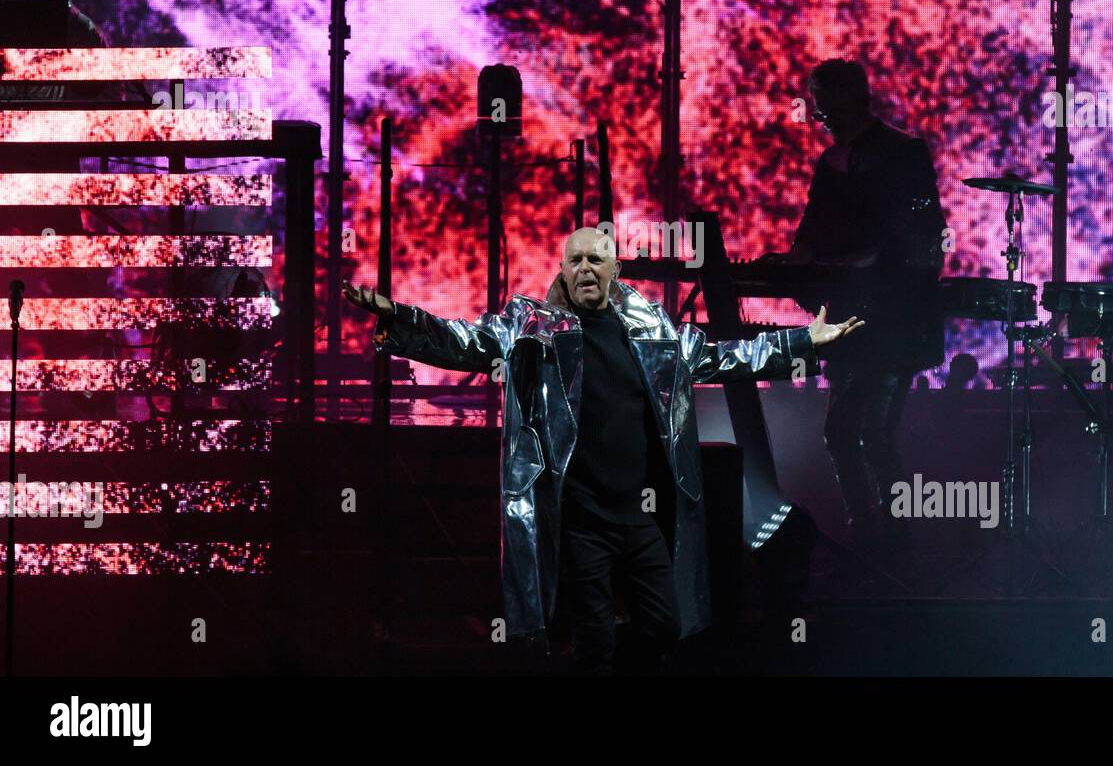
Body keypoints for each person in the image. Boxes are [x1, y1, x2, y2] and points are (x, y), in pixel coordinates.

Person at [344, 226, 862, 674]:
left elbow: (730, 358)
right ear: (564, 271)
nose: (586, 268)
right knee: (595, 642)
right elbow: (462, 341)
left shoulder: (653, 332)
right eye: (576, 260)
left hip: (638, 518)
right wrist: (401, 318)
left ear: (615, 268)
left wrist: (804, 342)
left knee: (664, 625)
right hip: (580, 519)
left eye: (596, 258)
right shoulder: (532, 330)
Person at [768, 58, 946, 555]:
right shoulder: (832, 164)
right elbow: (812, 228)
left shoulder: (904, 154)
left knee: (865, 434)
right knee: (847, 434)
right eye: (819, 113)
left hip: (893, 320)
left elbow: (920, 239)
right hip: (849, 319)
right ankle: (877, 540)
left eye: (826, 110)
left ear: (852, 101)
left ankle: (887, 543)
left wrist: (851, 262)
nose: (823, 120)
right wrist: (793, 261)